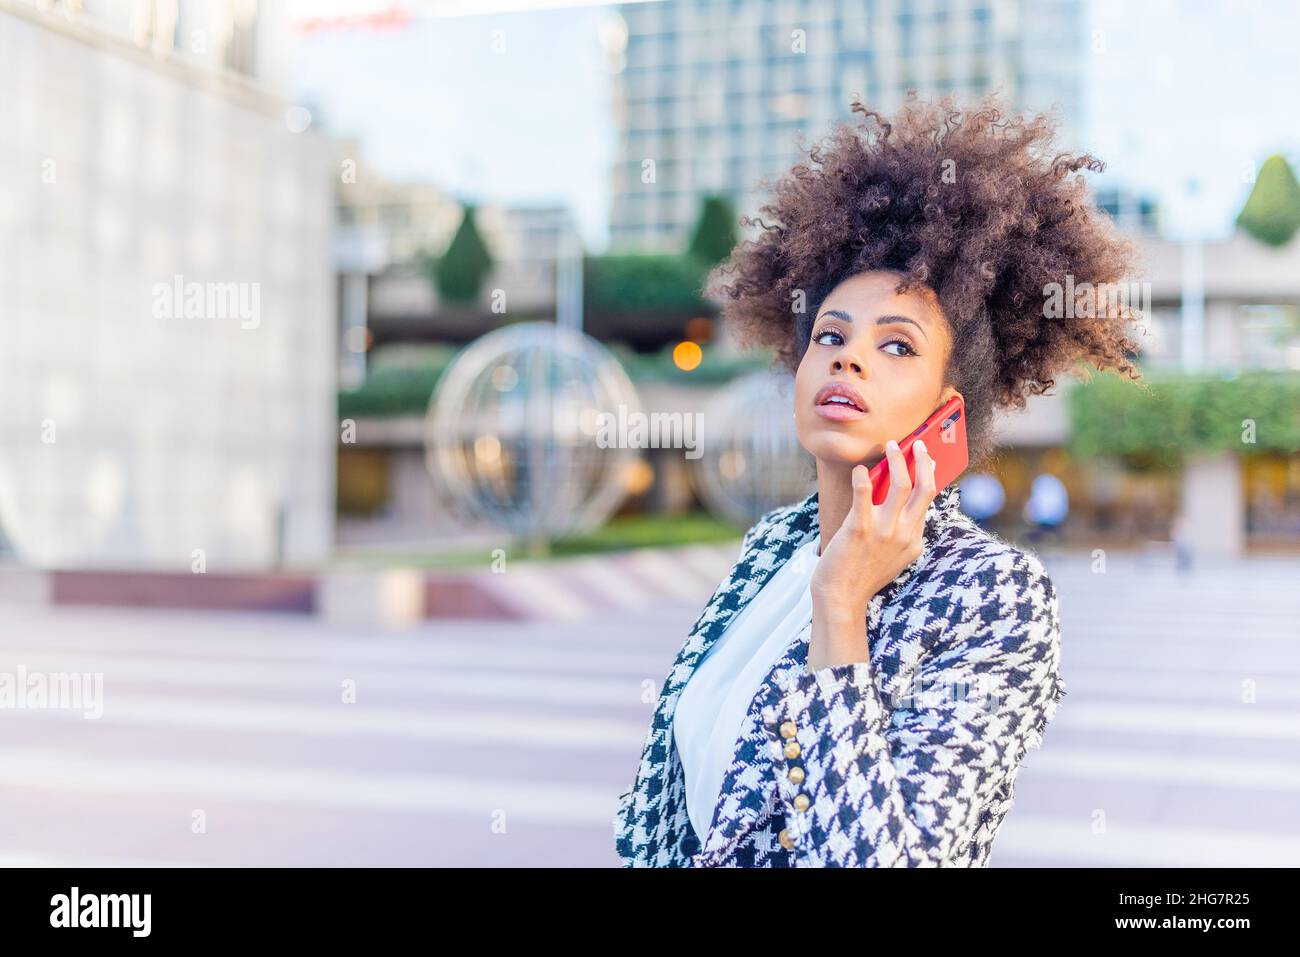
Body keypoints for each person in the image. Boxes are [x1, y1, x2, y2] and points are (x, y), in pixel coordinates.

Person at [614, 93, 1142, 867]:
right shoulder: (772, 550)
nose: (846, 358)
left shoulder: (995, 597)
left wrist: (842, 603)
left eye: (896, 346)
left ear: (948, 413)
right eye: (829, 335)